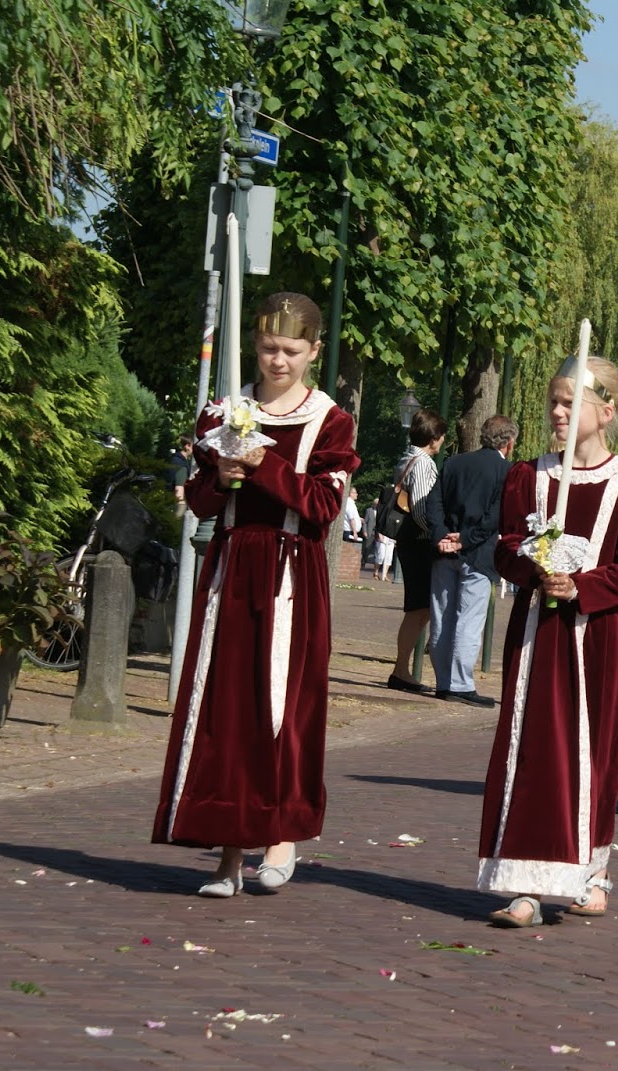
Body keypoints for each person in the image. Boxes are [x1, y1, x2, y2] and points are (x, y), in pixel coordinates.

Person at [151, 291, 360, 897]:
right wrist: (220, 475)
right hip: (232, 567)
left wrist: (262, 463)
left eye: (291, 350)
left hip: (292, 572)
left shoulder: (330, 421)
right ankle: (228, 853)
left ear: (313, 351)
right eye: (269, 348)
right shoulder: (223, 412)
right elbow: (199, 502)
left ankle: (280, 834)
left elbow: (322, 506)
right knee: (225, 707)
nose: (278, 360)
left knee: (282, 707)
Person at [477, 356, 618, 928]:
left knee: (594, 753)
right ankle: (525, 885)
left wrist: (583, 585)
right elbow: (504, 546)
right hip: (536, 633)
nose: (557, 412)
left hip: (598, 637)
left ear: (606, 411)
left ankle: (592, 871)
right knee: (531, 748)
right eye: (554, 401)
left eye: (570, 402)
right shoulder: (528, 477)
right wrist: (533, 566)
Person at [422, 415, 517, 706]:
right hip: (478, 554)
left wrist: (441, 535)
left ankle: (443, 681)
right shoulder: (507, 471)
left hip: (444, 552)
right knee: (469, 620)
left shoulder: (454, 463)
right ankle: (460, 684)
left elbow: (434, 502)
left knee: (442, 617)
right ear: (509, 442)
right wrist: (466, 538)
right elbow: (495, 515)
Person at [386, 408, 447, 693]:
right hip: (418, 539)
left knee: (419, 609)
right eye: (441, 436)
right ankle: (401, 670)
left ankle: (403, 669)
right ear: (433, 438)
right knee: (418, 609)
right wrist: (437, 535)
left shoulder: (407, 458)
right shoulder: (422, 463)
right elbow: (422, 508)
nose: (442, 441)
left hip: (409, 539)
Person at [167, 436, 194, 514]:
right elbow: (179, 489)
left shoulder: (173, 459)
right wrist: (180, 512)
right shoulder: (181, 465)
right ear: (187, 446)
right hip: (174, 506)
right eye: (193, 445)